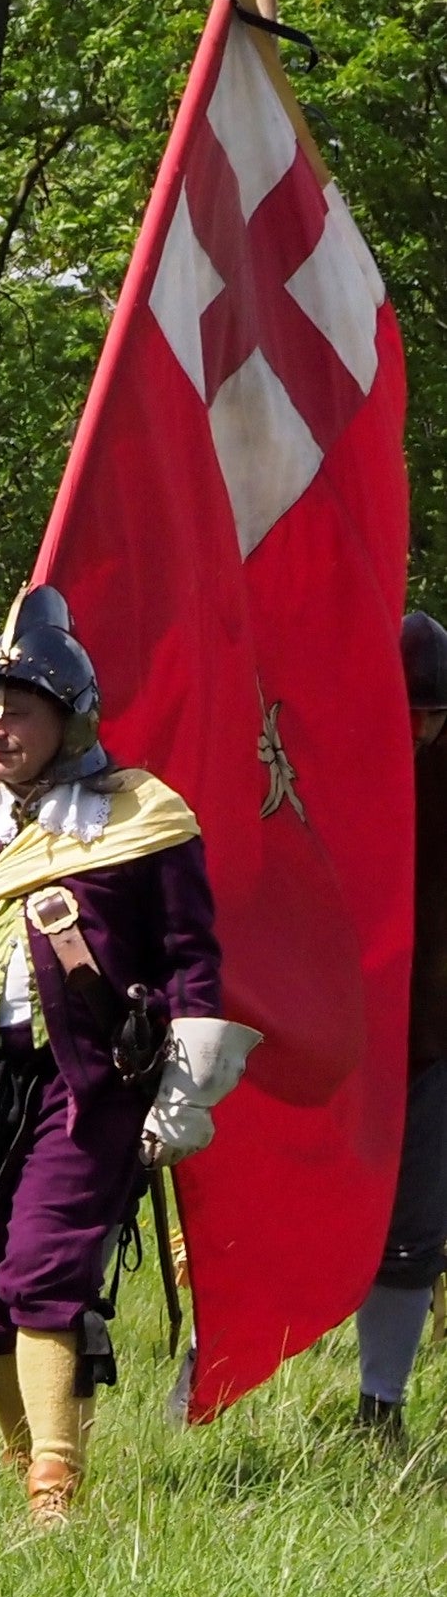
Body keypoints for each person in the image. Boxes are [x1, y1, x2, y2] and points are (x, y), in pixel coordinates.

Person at [0, 588, 245, 1523]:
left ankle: (53, 1490)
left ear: (66, 719)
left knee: (41, 1274)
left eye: (14, 708)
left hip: (84, 1087)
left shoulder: (139, 818)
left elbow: (191, 957)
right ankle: (21, 1457)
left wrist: (182, 1085)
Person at [356, 611, 447, 1435]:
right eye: (403, 707)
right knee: (280, 1209)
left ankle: (379, 1402)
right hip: (323, 1036)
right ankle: (209, 1380)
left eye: (432, 712)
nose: (416, 727)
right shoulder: (320, 759)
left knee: (413, 1229)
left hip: (426, 1033)